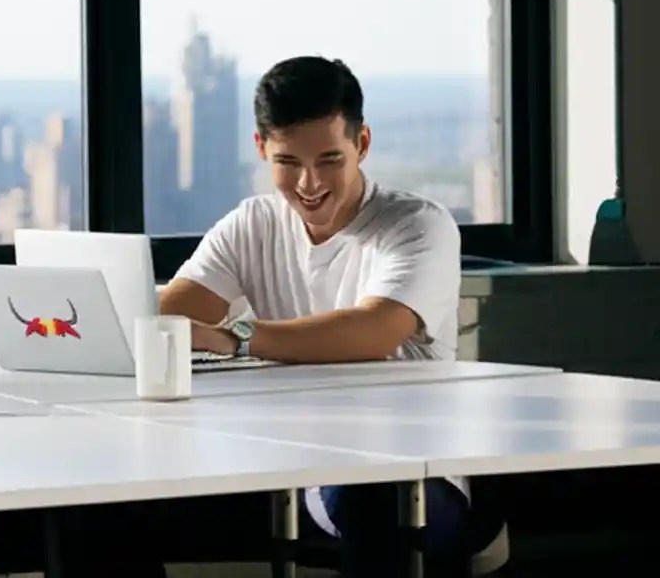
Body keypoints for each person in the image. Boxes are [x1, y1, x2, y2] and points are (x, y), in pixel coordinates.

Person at [160, 55, 503, 576]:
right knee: (101, 508)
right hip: (290, 467)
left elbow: (372, 330)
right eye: (288, 163)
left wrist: (237, 339)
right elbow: (176, 311)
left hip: (414, 475)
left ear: (361, 144)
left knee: (366, 489)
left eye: (329, 160)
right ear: (261, 149)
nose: (308, 183)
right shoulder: (253, 223)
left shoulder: (417, 226)